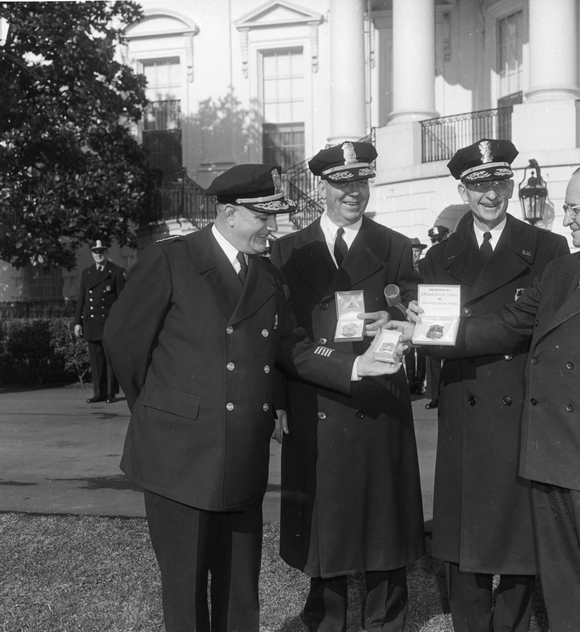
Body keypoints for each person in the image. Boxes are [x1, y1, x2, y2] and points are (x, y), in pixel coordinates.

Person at [392, 162, 580, 632]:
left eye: (575, 208)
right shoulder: (561, 270)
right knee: (564, 593)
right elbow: (505, 326)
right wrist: (426, 333)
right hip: (549, 459)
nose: (566, 217)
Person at [103, 164, 402, 632]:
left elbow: (293, 346)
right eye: (264, 218)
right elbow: (124, 342)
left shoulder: (268, 275)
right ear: (228, 213)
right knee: (185, 589)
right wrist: (166, 410)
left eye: (277, 217)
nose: (274, 229)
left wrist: (356, 366)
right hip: (178, 452)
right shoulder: (173, 260)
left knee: (240, 586)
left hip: (242, 449)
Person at [270, 142, 425, 632]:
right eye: (341, 182)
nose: (352, 192)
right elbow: (278, 336)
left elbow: (418, 316)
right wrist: (277, 405)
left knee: (385, 523)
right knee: (327, 523)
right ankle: (326, 620)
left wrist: (397, 322)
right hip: (315, 396)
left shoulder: (395, 245)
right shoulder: (286, 250)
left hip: (377, 402)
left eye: (360, 181)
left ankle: (387, 621)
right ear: (322, 186)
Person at [419, 139, 569, 632]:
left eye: (500, 183)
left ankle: (514, 625)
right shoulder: (438, 257)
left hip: (522, 404)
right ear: (462, 191)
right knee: (465, 534)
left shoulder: (549, 248)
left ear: (511, 186)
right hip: (465, 404)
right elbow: (432, 339)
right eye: (480, 186)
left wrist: (451, 333)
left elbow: (534, 324)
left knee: (519, 532)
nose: (491, 195)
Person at [73, 238, 125, 403]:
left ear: (106, 253)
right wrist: (77, 322)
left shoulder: (116, 272)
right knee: (96, 360)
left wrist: (120, 323)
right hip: (92, 323)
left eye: (101, 251)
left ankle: (110, 393)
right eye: (95, 252)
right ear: (92, 254)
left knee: (110, 359)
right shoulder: (87, 273)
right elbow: (81, 299)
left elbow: (122, 300)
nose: (98, 254)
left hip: (109, 323)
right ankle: (99, 393)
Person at [424, 225, 450, 408]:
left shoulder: (456, 256)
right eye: (434, 240)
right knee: (432, 354)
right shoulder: (426, 261)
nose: (437, 243)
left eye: (440, 239)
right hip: (432, 308)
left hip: (452, 307)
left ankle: (451, 393)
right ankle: (435, 395)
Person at [405, 237, 428, 394]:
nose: (415, 255)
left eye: (418, 252)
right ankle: (411, 380)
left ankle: (420, 381)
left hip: (422, 312)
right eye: (413, 252)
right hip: (408, 312)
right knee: (408, 348)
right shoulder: (404, 269)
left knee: (421, 349)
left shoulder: (424, 267)